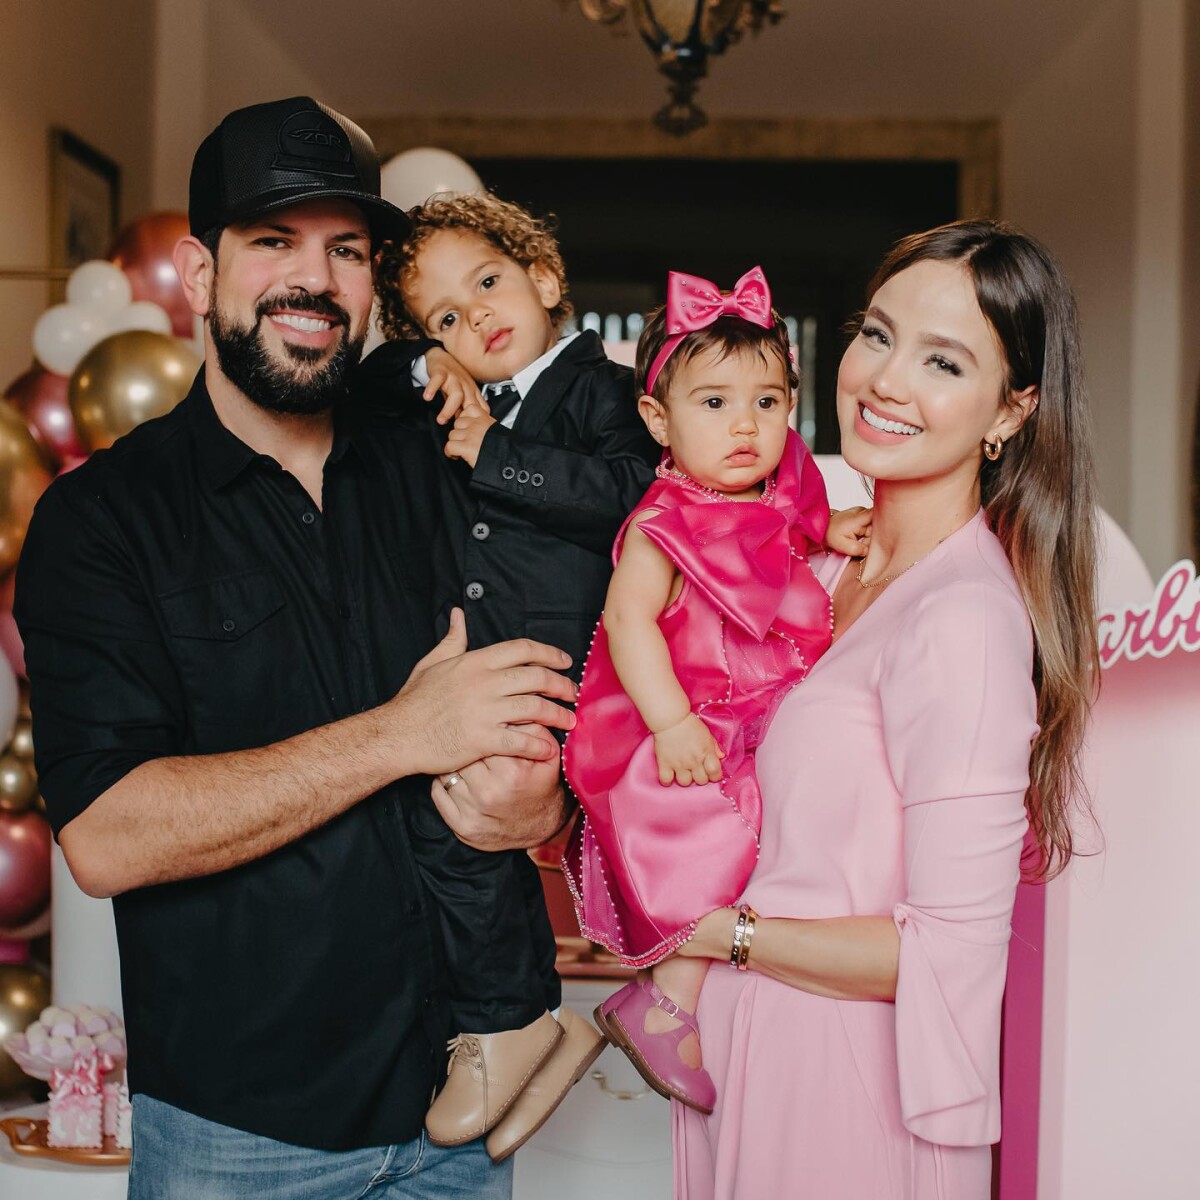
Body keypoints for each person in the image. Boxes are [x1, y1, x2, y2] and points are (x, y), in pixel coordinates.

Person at [14, 97, 577, 1200]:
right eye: (273, 241)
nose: (313, 281)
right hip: (235, 1141)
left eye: (348, 251)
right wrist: (401, 736)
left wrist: (545, 808)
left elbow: (562, 674)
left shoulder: (442, 459)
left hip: (459, 1127)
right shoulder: (103, 523)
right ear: (197, 269)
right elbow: (110, 838)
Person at [670, 221, 1099, 1199]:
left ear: (1011, 410)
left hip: (846, 1091)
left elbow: (946, 951)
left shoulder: (964, 621)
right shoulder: (815, 568)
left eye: (943, 360)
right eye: (877, 334)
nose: (885, 379)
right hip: (739, 1055)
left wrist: (714, 931)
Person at [357, 191, 660, 1160]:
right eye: (445, 316)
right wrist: (422, 361)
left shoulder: (599, 388)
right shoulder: (441, 390)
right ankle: (515, 1026)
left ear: (545, 278)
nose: (475, 316)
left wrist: (499, 453)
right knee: (433, 823)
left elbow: (632, 495)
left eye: (487, 283)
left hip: (560, 657)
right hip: (484, 657)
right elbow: (366, 388)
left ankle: (510, 1021)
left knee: (463, 824)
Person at [561, 267, 872, 1114]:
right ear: (658, 419)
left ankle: (666, 1003)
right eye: (715, 404)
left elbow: (781, 539)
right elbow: (628, 626)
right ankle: (666, 1004)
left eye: (768, 403)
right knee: (720, 845)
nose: (746, 424)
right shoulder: (663, 525)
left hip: (742, 719)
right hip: (679, 727)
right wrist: (669, 724)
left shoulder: (770, 501)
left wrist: (827, 527)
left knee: (764, 842)